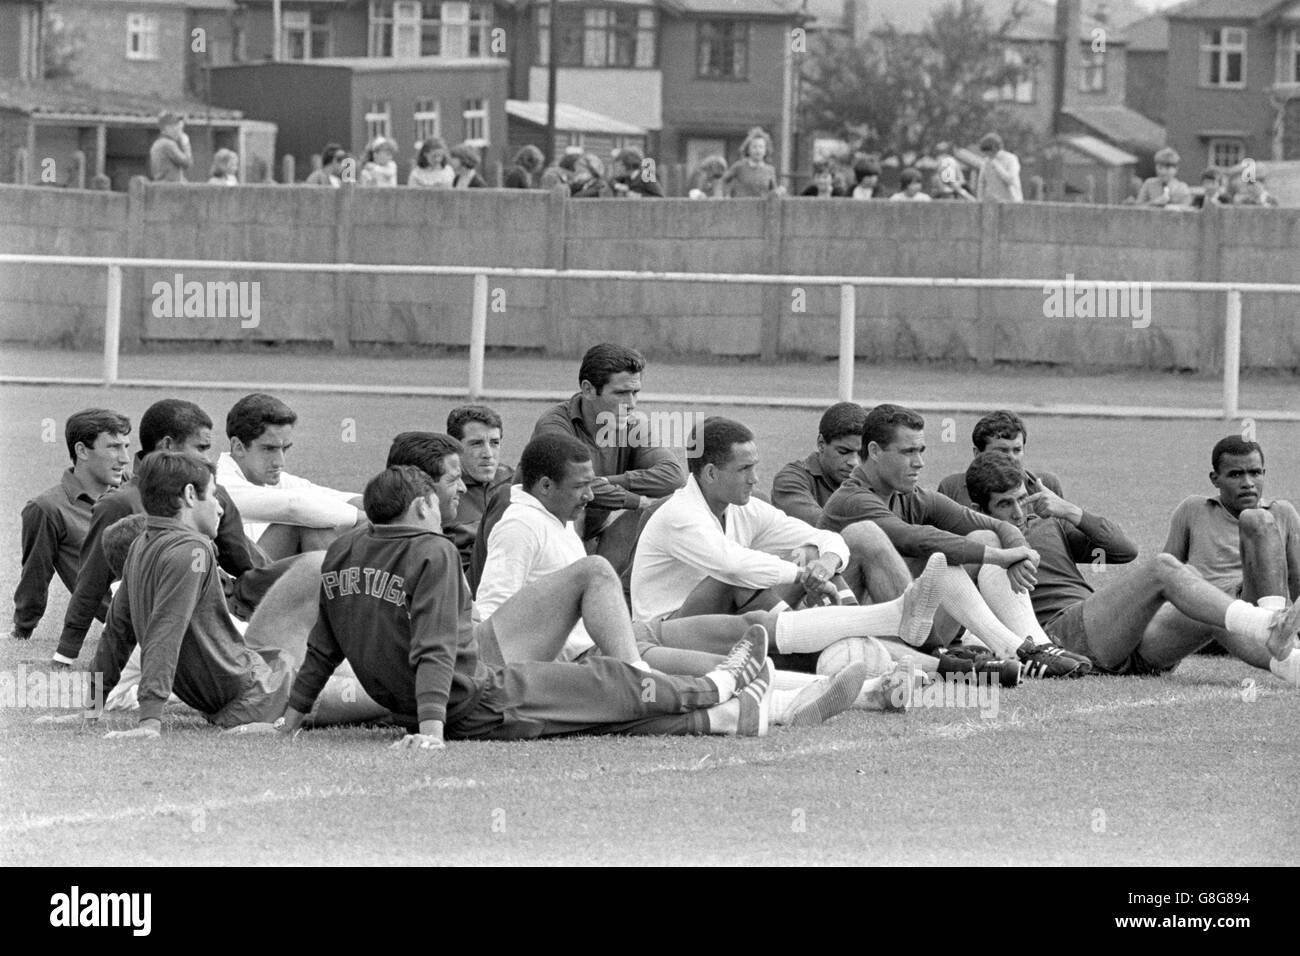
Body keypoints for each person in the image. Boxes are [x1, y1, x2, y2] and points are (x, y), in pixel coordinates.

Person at [280, 464, 852, 743]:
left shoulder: (346, 548)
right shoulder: (435, 549)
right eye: (581, 483)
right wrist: (431, 730)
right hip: (471, 700)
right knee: (614, 683)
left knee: (593, 712)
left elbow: (324, 646)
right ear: (423, 507)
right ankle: (724, 689)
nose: (591, 492)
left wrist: (289, 721)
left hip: (443, 691)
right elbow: (436, 645)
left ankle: (732, 714)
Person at [478, 433, 911, 713]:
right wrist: (555, 675)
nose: (593, 495)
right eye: (582, 487)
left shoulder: (551, 518)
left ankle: (871, 676)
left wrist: (821, 557)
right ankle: (858, 686)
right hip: (608, 649)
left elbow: (818, 537)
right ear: (545, 486)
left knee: (744, 645)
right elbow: (495, 620)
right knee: (726, 663)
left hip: (629, 632)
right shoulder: (521, 525)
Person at [75, 453, 378, 738]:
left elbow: (118, 632)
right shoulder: (192, 549)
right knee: (393, 695)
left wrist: (91, 708)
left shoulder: (143, 543)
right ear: (191, 496)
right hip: (261, 698)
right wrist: (150, 722)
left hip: (256, 671)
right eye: (213, 496)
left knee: (316, 565)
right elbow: (166, 630)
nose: (220, 508)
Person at [965, 451, 1300, 683]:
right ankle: (1267, 623)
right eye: (1005, 505)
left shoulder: (1047, 523)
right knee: (1163, 568)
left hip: (1108, 631)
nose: (1019, 513)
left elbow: (1123, 550)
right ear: (980, 508)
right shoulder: (981, 540)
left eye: (1021, 499)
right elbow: (959, 604)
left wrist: (1069, 511)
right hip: (1060, 637)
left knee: (1204, 597)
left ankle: (1290, 665)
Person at [820, 404, 1092, 676]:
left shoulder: (909, 495)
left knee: (984, 537)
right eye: (908, 452)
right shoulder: (852, 499)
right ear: (875, 452)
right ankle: (1013, 649)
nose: (919, 462)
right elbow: (916, 539)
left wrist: (1017, 549)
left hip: (914, 630)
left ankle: (1035, 646)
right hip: (851, 635)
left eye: (921, 451)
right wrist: (999, 557)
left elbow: (993, 524)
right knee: (876, 537)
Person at [50, 399, 281, 666]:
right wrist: (65, 653)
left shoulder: (214, 493)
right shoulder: (119, 504)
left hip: (230, 608)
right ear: (168, 446)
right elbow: (92, 580)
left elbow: (244, 563)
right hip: (178, 623)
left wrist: (288, 594)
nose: (208, 458)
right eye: (201, 447)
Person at [530, 344, 686, 576]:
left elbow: (673, 475)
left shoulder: (632, 424)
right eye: (621, 393)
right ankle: (578, 586)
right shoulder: (554, 426)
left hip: (598, 531)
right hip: (544, 533)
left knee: (664, 506)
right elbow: (570, 487)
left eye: (635, 393)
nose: (632, 403)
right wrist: (637, 501)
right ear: (588, 390)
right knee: (577, 501)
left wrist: (604, 481)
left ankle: (618, 592)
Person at [11, 409, 131, 640]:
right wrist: (22, 629)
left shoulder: (133, 488)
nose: (125, 458)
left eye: (126, 446)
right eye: (114, 447)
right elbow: (36, 574)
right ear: (82, 450)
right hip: (136, 613)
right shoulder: (47, 509)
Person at [215, 393, 362, 561]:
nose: (280, 462)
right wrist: (363, 519)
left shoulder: (273, 479)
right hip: (235, 585)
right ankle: (346, 586)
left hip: (263, 576)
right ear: (238, 447)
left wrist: (388, 508)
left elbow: (341, 499)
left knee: (318, 513)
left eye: (285, 448)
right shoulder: (218, 482)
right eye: (269, 449)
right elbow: (296, 507)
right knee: (307, 521)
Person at [937, 409, 1064, 508]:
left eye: (1017, 450)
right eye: (1002, 451)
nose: (1012, 458)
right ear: (977, 454)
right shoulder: (951, 488)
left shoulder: (1047, 485)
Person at [771, 402, 866, 528]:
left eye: (861, 453)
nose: (854, 462)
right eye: (844, 452)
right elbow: (823, 527)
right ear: (821, 443)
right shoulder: (790, 481)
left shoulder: (876, 479)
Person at [443, 406, 514, 573]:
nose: (488, 454)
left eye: (495, 443)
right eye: (476, 444)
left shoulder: (514, 481)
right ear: (453, 447)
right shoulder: (440, 490)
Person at [721, 127, 778, 198]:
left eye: (761, 147)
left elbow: (773, 192)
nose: (758, 150)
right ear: (748, 149)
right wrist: (727, 195)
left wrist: (778, 192)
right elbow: (723, 180)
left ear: (765, 150)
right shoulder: (739, 166)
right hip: (741, 206)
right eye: (754, 147)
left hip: (761, 207)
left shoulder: (770, 170)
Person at [974, 132, 1022, 203]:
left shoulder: (1011, 159)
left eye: (988, 152)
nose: (987, 155)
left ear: (995, 149)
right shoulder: (986, 162)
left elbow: (1011, 180)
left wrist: (997, 165)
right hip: (993, 203)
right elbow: (981, 183)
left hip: (1011, 202)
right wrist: (980, 200)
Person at [149, 111, 192, 183]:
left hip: (161, 186)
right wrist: (186, 143)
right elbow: (187, 163)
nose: (178, 129)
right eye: (175, 125)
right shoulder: (168, 144)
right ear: (167, 128)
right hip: (170, 188)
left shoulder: (157, 143)